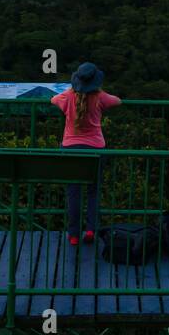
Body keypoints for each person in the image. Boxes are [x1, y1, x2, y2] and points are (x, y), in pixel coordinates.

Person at [50, 62, 120, 246]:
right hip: (96, 149)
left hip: (70, 149)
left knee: (73, 192)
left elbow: (53, 100)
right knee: (93, 191)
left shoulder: (67, 97)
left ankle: (73, 234)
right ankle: (91, 229)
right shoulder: (100, 97)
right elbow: (118, 101)